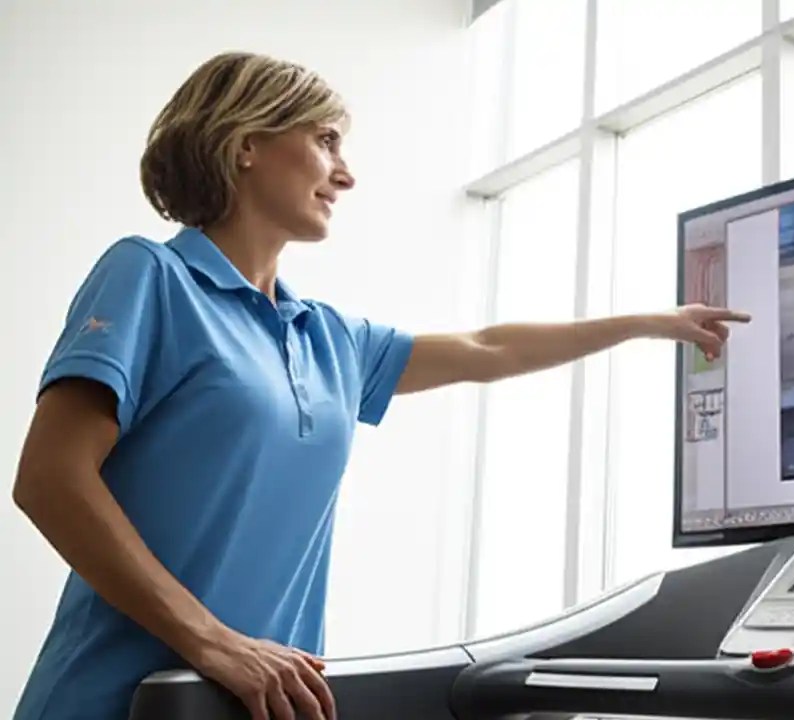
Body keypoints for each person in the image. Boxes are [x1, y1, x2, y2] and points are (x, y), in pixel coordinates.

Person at [10, 51, 750, 720]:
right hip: (112, 700)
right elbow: (49, 479)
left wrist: (650, 323)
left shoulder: (328, 338)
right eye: (326, 140)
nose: (346, 174)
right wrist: (213, 642)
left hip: (259, 703)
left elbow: (486, 347)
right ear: (245, 145)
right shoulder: (151, 276)